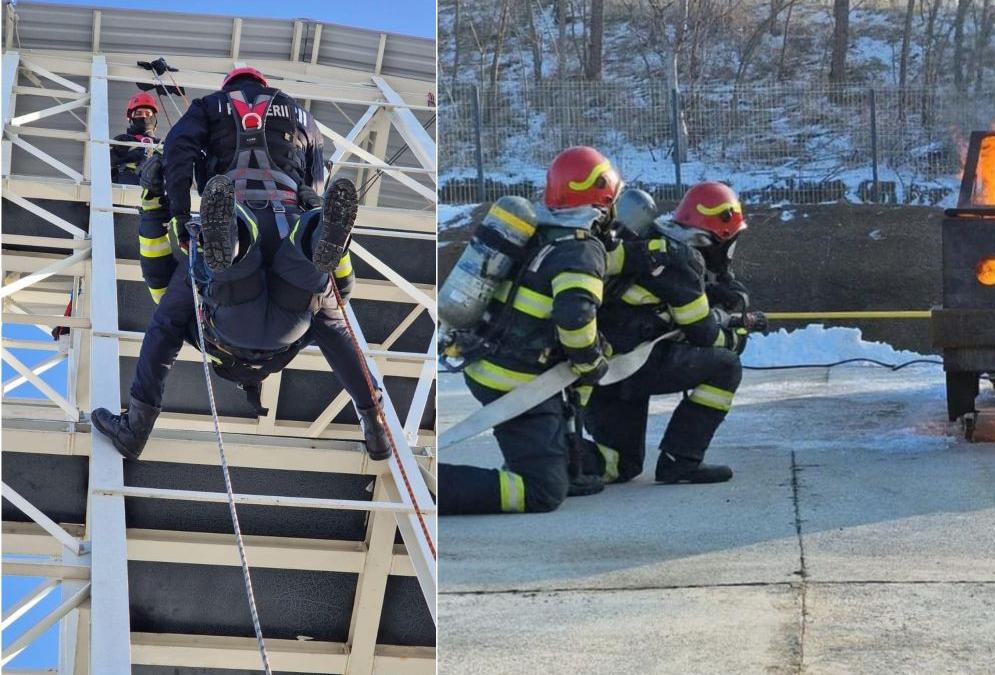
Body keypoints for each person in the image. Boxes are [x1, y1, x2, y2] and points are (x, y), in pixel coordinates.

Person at [91, 66, 391, 462]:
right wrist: (313, 200)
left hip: (251, 287)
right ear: (263, 85)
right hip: (288, 222)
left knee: (223, 279)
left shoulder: (206, 106)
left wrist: (177, 209)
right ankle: (376, 429)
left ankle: (137, 429)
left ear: (228, 86)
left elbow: (178, 150)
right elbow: (317, 173)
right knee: (317, 279)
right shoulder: (299, 115)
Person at [439, 146, 621, 514]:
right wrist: (591, 364)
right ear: (603, 201)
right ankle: (429, 485)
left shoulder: (540, 233)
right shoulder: (582, 251)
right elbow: (575, 318)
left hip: (491, 363)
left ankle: (559, 459)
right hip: (517, 383)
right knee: (542, 490)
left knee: (552, 457)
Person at [585, 182, 751, 484]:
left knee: (620, 465)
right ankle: (681, 461)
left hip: (603, 366)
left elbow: (664, 297)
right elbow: (705, 335)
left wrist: (714, 289)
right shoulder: (682, 260)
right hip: (627, 366)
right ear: (716, 238)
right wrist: (738, 335)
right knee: (726, 367)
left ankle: (545, 456)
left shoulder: (658, 243)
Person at [111, 92, 160, 185]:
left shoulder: (163, 145)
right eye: (139, 113)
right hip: (128, 184)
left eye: (148, 114)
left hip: (157, 188)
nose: (144, 117)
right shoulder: (122, 141)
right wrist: (118, 152)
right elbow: (106, 162)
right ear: (130, 118)